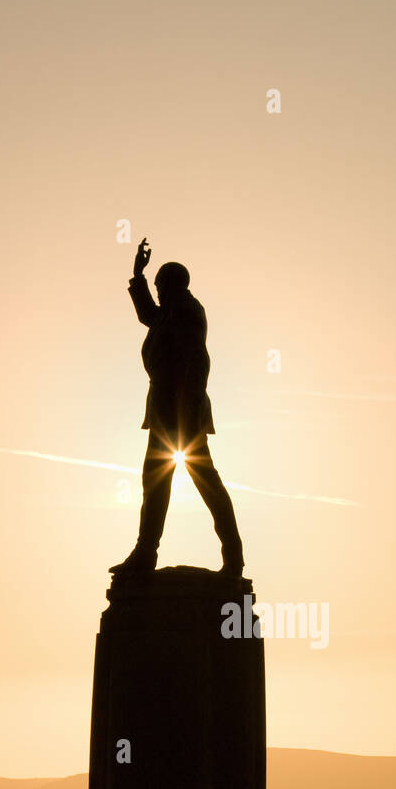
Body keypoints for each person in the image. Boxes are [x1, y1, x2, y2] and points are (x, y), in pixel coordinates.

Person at [111, 238, 244, 575]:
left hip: (181, 412)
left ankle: (230, 556)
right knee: (160, 482)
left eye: (158, 286)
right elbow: (149, 316)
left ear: (171, 286)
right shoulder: (171, 311)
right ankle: (147, 553)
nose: (156, 293)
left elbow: (197, 363)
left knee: (201, 482)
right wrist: (138, 276)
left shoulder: (187, 311)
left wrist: (185, 415)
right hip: (166, 412)